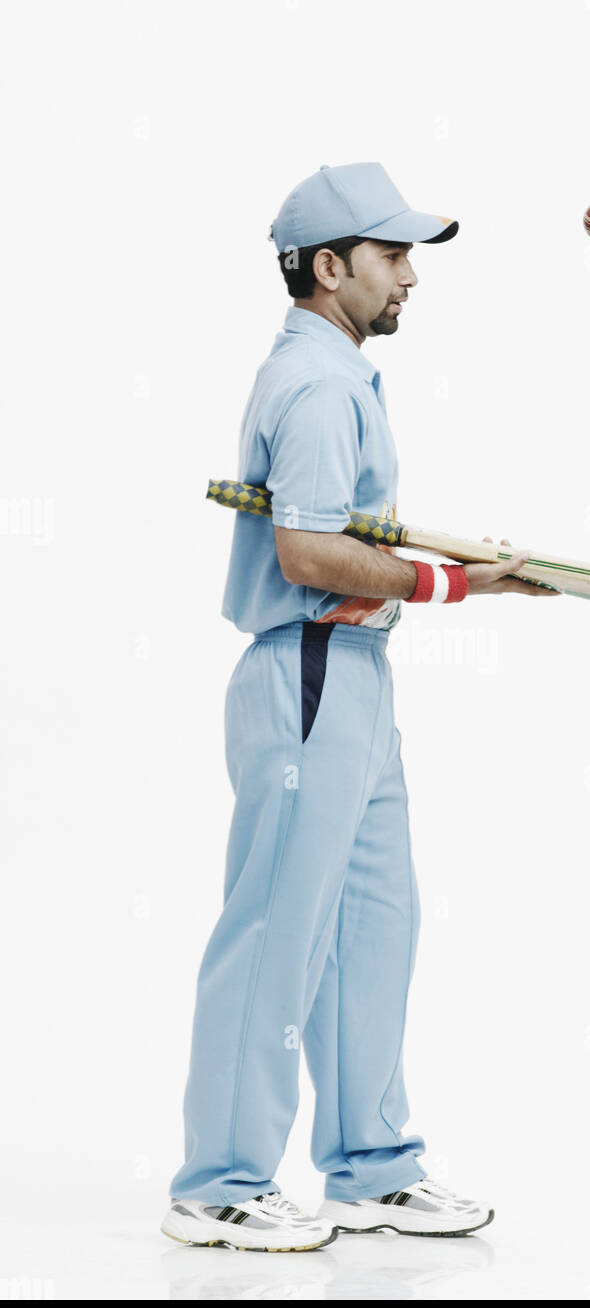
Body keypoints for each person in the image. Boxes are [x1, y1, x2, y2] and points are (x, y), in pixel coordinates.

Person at [162, 163, 555, 1252]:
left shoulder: (341, 377)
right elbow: (304, 551)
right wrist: (453, 583)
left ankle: (370, 1168)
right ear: (327, 267)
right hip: (309, 669)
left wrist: (453, 565)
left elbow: (346, 533)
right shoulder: (320, 384)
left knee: (376, 923)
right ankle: (219, 1181)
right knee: (279, 925)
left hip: (356, 680)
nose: (410, 277)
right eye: (391, 257)